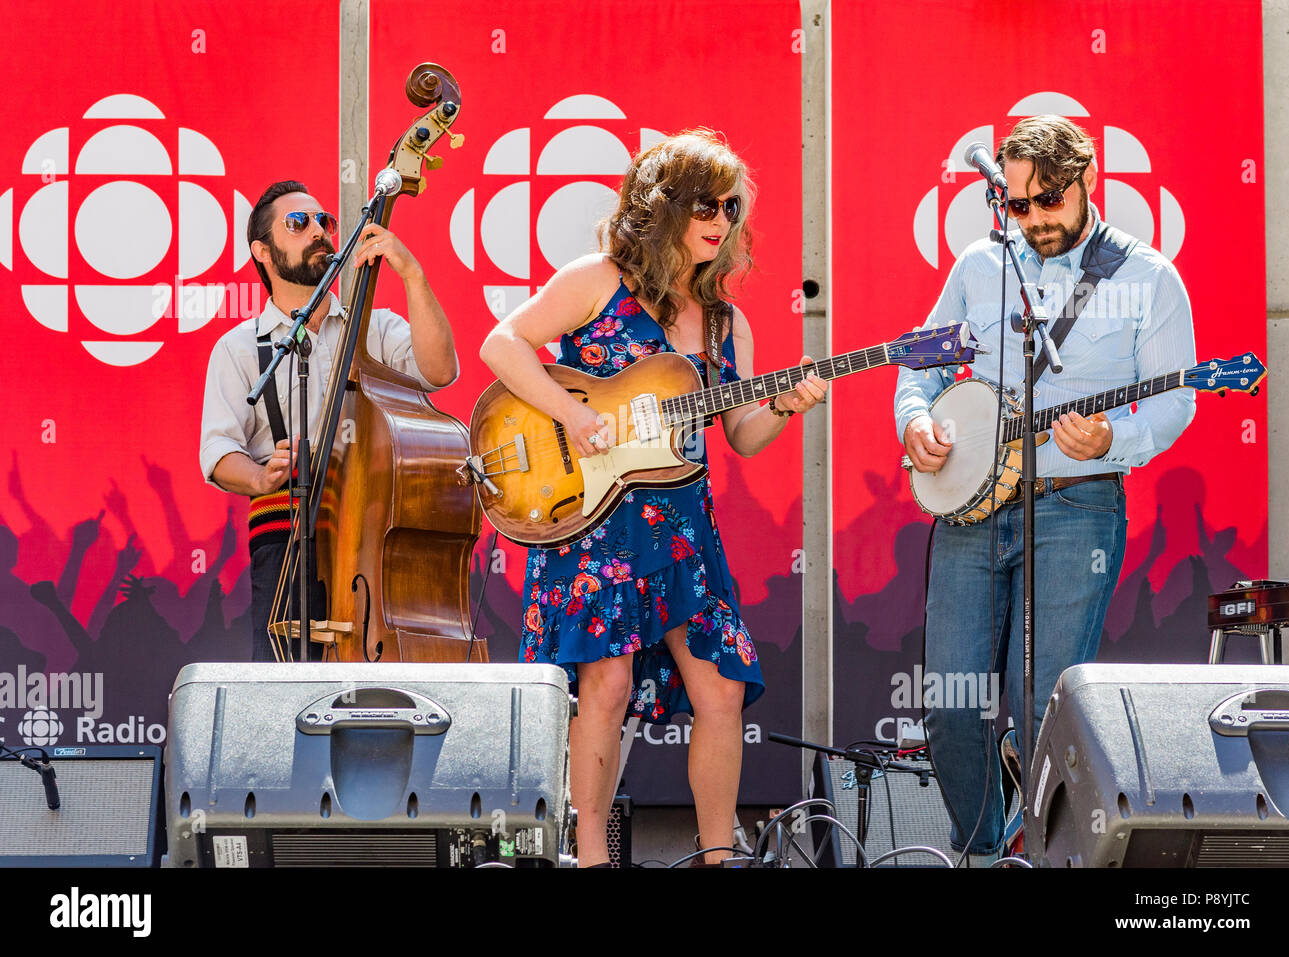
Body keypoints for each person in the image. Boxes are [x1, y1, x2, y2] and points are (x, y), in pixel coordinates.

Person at [480, 131, 827, 866]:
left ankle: (716, 854)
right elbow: (502, 345)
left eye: (733, 206)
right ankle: (590, 855)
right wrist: (574, 413)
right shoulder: (596, 280)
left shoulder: (728, 325)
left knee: (723, 688)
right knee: (603, 687)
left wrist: (790, 403)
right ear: (663, 204)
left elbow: (741, 434)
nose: (723, 218)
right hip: (594, 521)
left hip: (682, 530)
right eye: (708, 202)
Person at [894, 115, 1196, 859]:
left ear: (1089, 179)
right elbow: (919, 366)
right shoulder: (978, 265)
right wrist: (914, 422)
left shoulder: (1147, 276)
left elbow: (1178, 397)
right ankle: (982, 851)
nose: (1034, 219)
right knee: (950, 708)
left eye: (1049, 199)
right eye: (1019, 206)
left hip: (1077, 505)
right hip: (971, 505)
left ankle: (1038, 855)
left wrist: (1113, 439)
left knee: (1042, 711)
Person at [200, 180, 459, 661]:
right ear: (262, 251)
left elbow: (440, 371)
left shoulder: (375, 328)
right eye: (298, 223)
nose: (319, 231)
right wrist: (261, 474)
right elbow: (218, 454)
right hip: (284, 535)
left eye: (325, 221)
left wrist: (413, 275)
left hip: (369, 532)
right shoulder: (238, 348)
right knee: (284, 693)